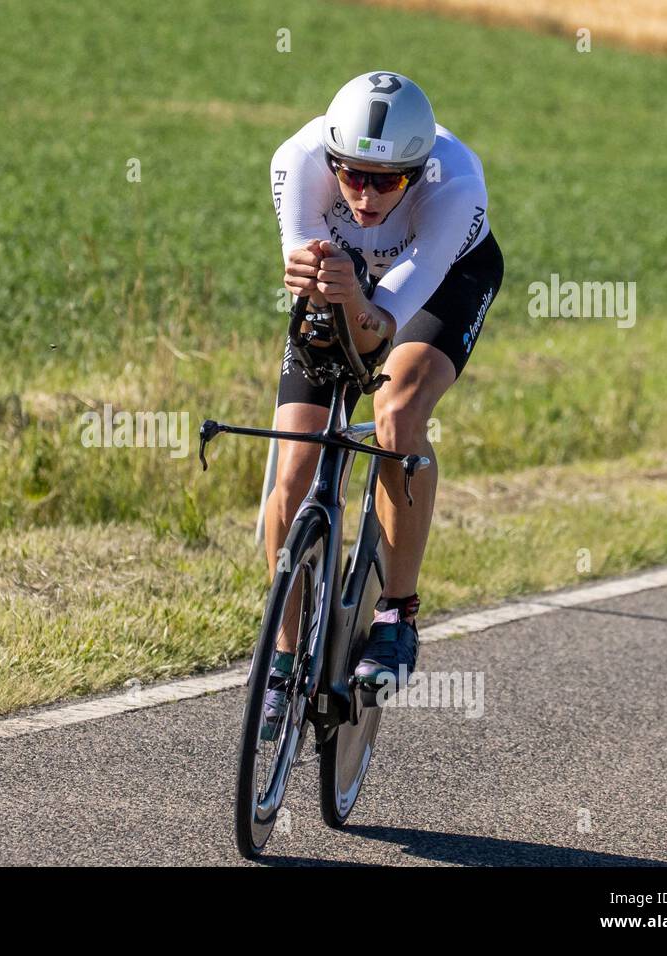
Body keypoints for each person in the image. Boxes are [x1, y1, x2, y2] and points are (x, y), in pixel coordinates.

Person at [262, 71, 503, 739]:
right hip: (344, 279)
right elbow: (309, 280)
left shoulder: (454, 186)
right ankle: (281, 662)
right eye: (353, 175)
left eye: (388, 180)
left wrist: (353, 298)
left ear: (417, 171)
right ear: (331, 160)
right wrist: (329, 288)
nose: (365, 195)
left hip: (438, 284)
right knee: (294, 470)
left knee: (397, 413)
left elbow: (382, 326)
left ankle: (398, 612)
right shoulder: (298, 160)